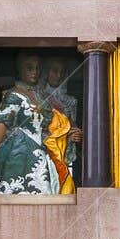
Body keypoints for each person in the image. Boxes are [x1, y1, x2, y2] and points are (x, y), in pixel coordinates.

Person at [0, 52, 61, 195]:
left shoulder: (41, 96)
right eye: (29, 68)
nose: (34, 72)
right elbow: (2, 121)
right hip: (19, 149)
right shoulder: (14, 94)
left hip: (42, 148)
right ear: (20, 70)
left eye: (37, 68)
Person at [38, 56, 83, 192]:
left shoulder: (71, 101)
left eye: (62, 72)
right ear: (46, 73)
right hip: (43, 152)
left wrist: (78, 135)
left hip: (64, 154)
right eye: (54, 71)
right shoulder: (36, 96)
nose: (58, 76)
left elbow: (71, 127)